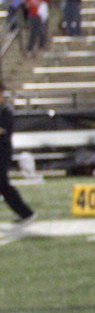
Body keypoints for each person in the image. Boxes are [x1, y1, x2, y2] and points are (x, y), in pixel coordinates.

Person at [0, 82, 36, 226]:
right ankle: (25, 213)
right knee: (3, 185)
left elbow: (2, 130)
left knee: (3, 184)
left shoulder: (6, 110)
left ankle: (26, 213)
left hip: (2, 152)